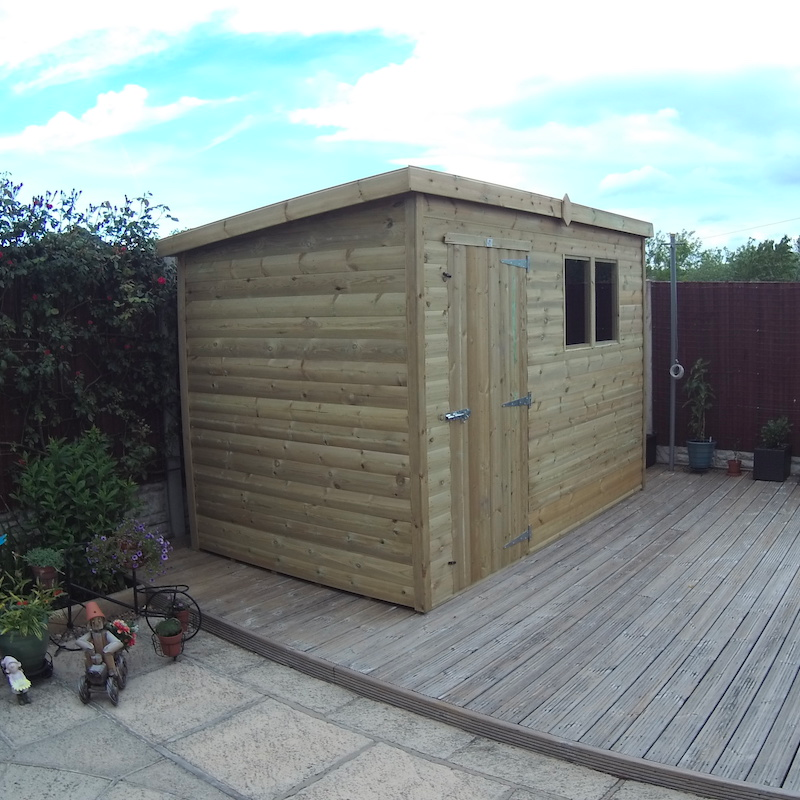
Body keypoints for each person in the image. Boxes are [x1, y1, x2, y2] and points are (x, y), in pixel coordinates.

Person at [77, 601, 123, 679]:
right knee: (87, 654)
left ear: (102, 621)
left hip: (106, 654)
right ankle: (90, 672)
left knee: (107, 654)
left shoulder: (105, 633)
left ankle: (112, 670)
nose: (97, 623)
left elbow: (117, 642)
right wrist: (88, 646)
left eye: (99, 620)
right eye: (93, 622)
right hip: (95, 655)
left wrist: (109, 648)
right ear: (90, 624)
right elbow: (79, 641)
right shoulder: (91, 634)